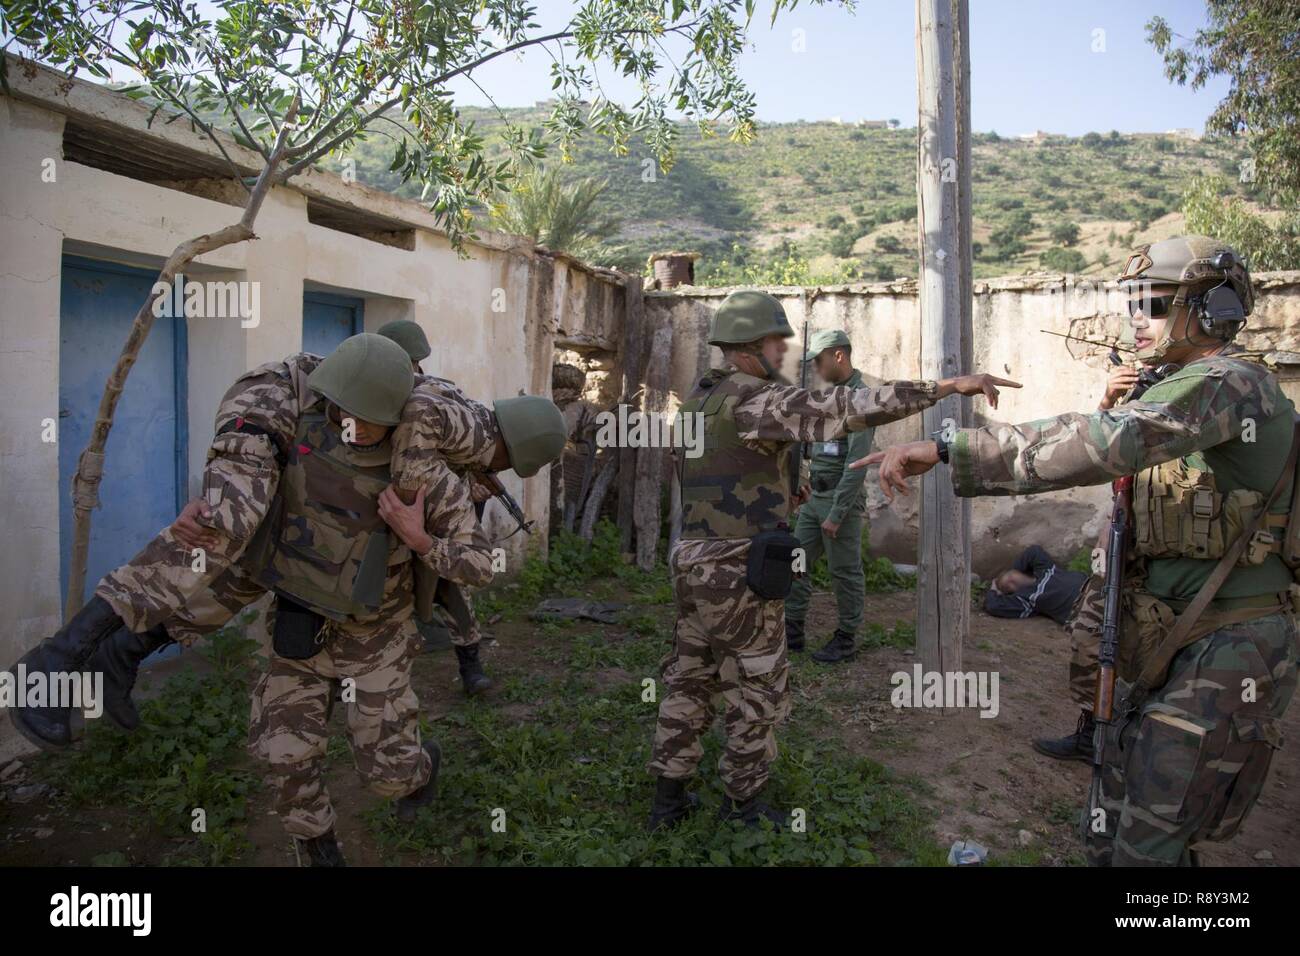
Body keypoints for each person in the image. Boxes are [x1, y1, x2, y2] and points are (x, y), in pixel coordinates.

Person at [860, 236, 1298, 867]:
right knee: (1114, 807)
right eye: (1133, 303)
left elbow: (1105, 442)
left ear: (1209, 308)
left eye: (1152, 304)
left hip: (1230, 642)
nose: (1136, 320)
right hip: (1167, 631)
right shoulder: (1176, 387)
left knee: (1153, 828)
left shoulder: (1232, 383)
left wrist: (952, 447)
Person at [646, 289, 1018, 830]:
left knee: (688, 678)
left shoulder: (701, 400)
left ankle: (668, 803)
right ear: (752, 344)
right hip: (736, 569)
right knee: (758, 687)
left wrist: (780, 490)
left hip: (691, 560)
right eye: (776, 342)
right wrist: (945, 387)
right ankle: (743, 810)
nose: (784, 352)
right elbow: (851, 408)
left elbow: (720, 475)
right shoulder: (758, 399)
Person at [240, 341, 495, 866]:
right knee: (283, 754)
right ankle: (317, 845)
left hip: (376, 638)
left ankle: (422, 767)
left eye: (367, 419)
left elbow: (481, 565)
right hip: (301, 627)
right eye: (342, 413)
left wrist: (420, 539)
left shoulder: (423, 473)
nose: (350, 426)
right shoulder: (301, 440)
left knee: (390, 776)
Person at [784, 329, 874, 664]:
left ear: (839, 355)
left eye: (819, 361)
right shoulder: (829, 398)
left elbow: (856, 463)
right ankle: (791, 630)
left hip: (841, 502)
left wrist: (837, 513)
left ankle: (846, 638)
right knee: (796, 562)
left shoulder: (861, 401)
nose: (816, 368)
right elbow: (815, 450)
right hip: (814, 500)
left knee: (845, 573)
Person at [984, 545, 1087, 626]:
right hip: (1084, 610)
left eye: (1010, 575)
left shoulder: (1046, 569)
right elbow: (993, 606)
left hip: (1092, 588)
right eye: (1007, 587)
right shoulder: (1028, 600)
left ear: (1019, 571)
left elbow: (1033, 550)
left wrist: (1016, 568)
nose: (1011, 581)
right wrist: (993, 589)